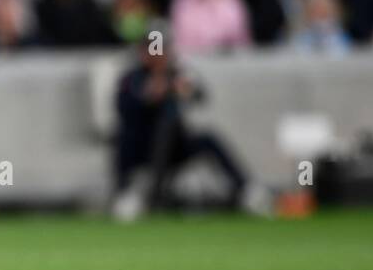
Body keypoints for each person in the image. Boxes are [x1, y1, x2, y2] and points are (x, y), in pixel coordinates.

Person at [112, 32, 268, 220]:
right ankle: (129, 194)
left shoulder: (177, 73)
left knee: (207, 139)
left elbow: (201, 95)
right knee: (123, 138)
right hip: (142, 144)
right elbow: (124, 108)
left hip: (175, 147)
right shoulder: (132, 78)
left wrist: (186, 89)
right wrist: (149, 97)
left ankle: (246, 190)